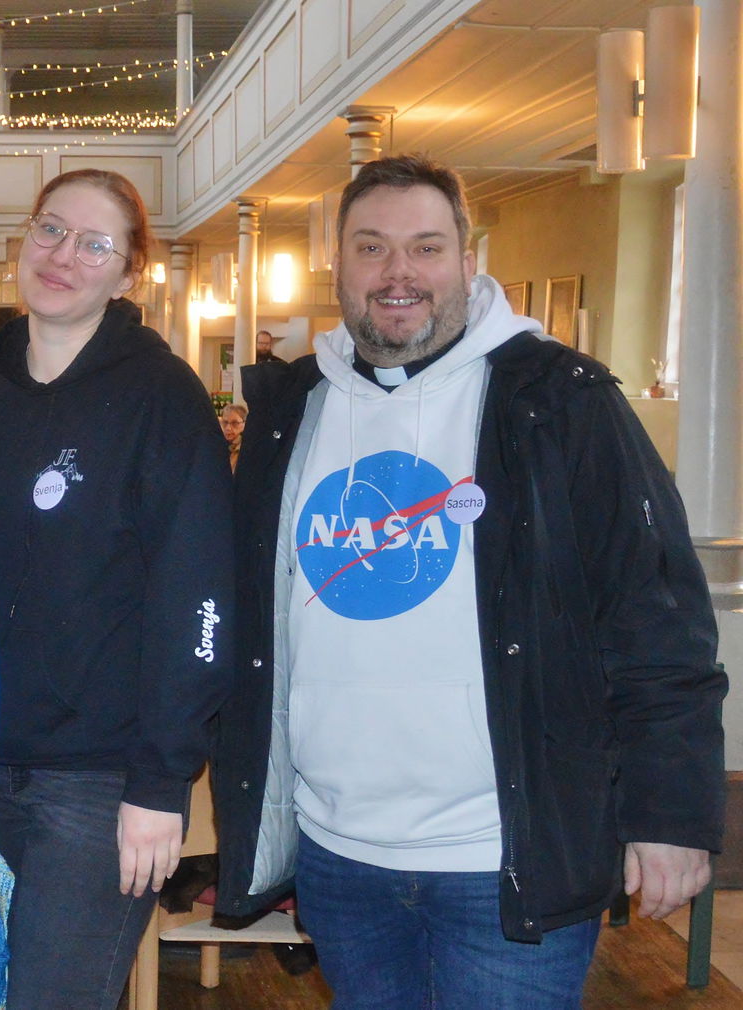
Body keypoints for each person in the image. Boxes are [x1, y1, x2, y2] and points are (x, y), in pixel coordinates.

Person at [212, 154, 725, 1008]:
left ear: (467, 262)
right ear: (338, 266)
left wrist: (671, 815)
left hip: (502, 858)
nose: (399, 273)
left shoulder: (560, 400)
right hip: (341, 855)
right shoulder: (289, 410)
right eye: (371, 248)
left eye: (426, 247)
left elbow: (656, 614)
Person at [0, 168, 234, 1009]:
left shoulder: (163, 398)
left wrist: (160, 783)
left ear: (129, 272)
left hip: (100, 789)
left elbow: (200, 598)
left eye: (94, 244)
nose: (63, 256)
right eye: (50, 230)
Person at [218, 403, 246, 473]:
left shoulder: (247, 449)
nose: (228, 428)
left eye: (235, 423)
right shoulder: (216, 445)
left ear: (245, 424)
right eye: (225, 422)